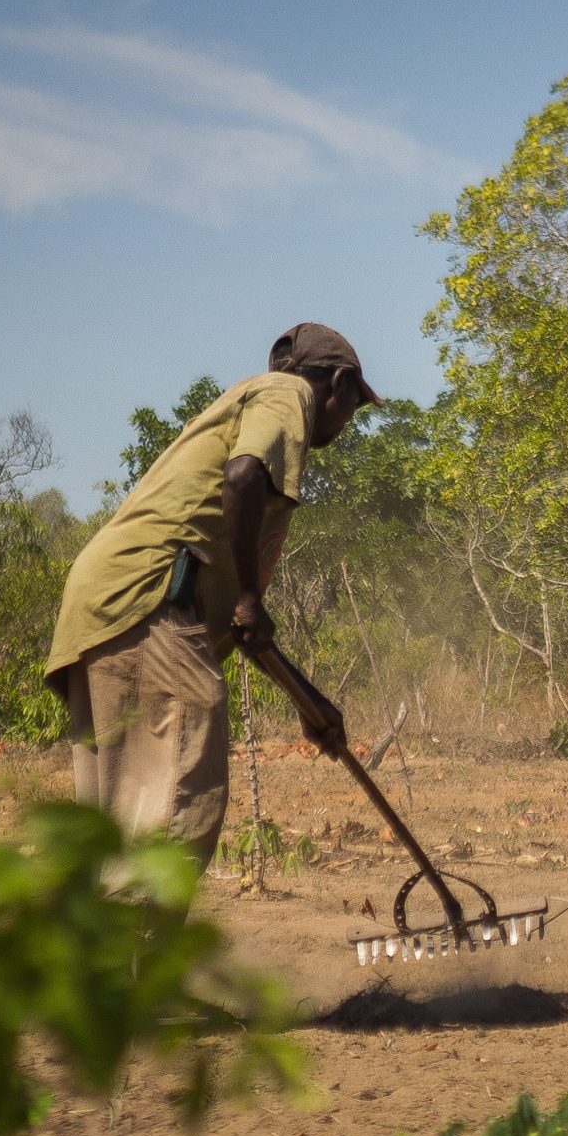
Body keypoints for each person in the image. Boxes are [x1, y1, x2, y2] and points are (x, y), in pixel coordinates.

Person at [44, 323, 376, 863]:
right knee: (177, 811)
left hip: (108, 605)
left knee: (119, 832)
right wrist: (251, 595)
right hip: (150, 599)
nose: (347, 421)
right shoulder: (285, 393)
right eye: (354, 405)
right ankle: (143, 946)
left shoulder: (248, 403)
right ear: (339, 382)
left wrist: (308, 701)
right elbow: (244, 475)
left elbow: (242, 622)